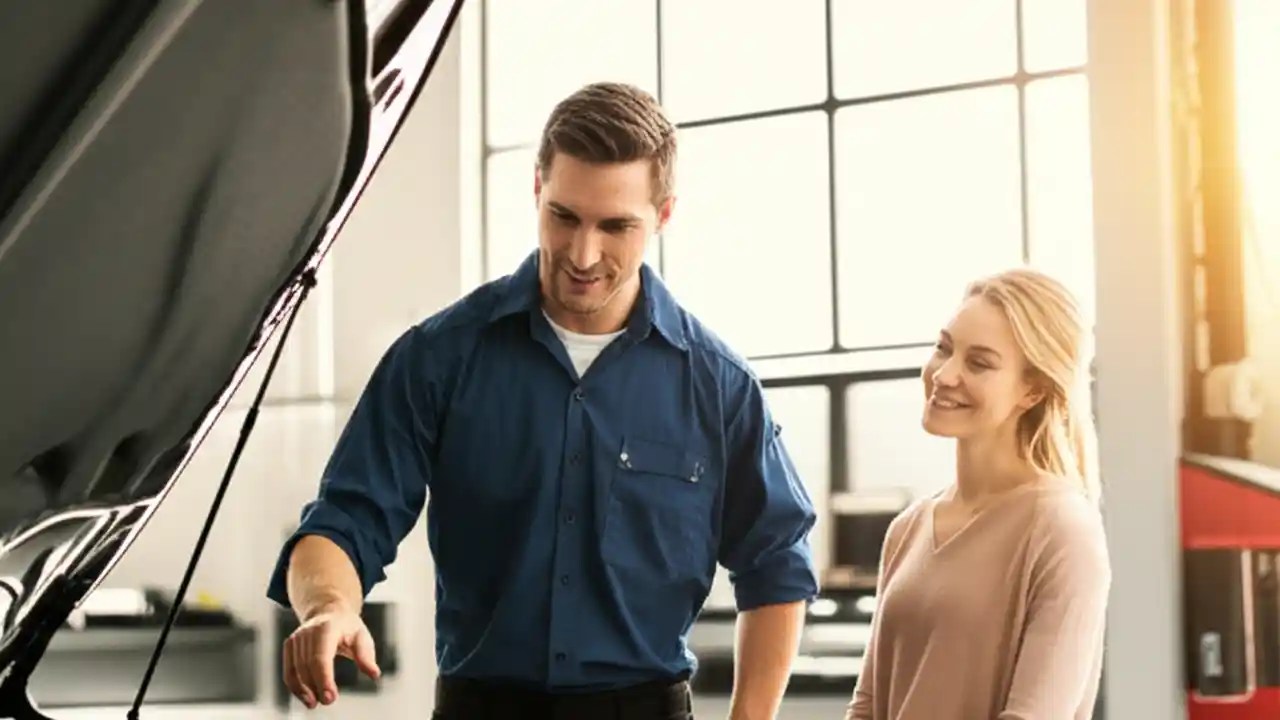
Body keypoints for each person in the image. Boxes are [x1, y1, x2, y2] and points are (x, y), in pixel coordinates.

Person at [266, 81, 820, 720]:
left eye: (616, 226)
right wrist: (331, 607)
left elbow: (776, 564)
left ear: (663, 215)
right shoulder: (438, 358)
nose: (584, 255)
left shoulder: (718, 384)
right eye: (564, 216)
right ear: (537, 190)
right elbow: (345, 520)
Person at [845, 268, 1112, 720]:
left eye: (980, 363)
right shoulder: (908, 528)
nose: (945, 375)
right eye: (944, 349)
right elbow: (868, 706)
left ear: (1033, 390)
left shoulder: (1061, 528)